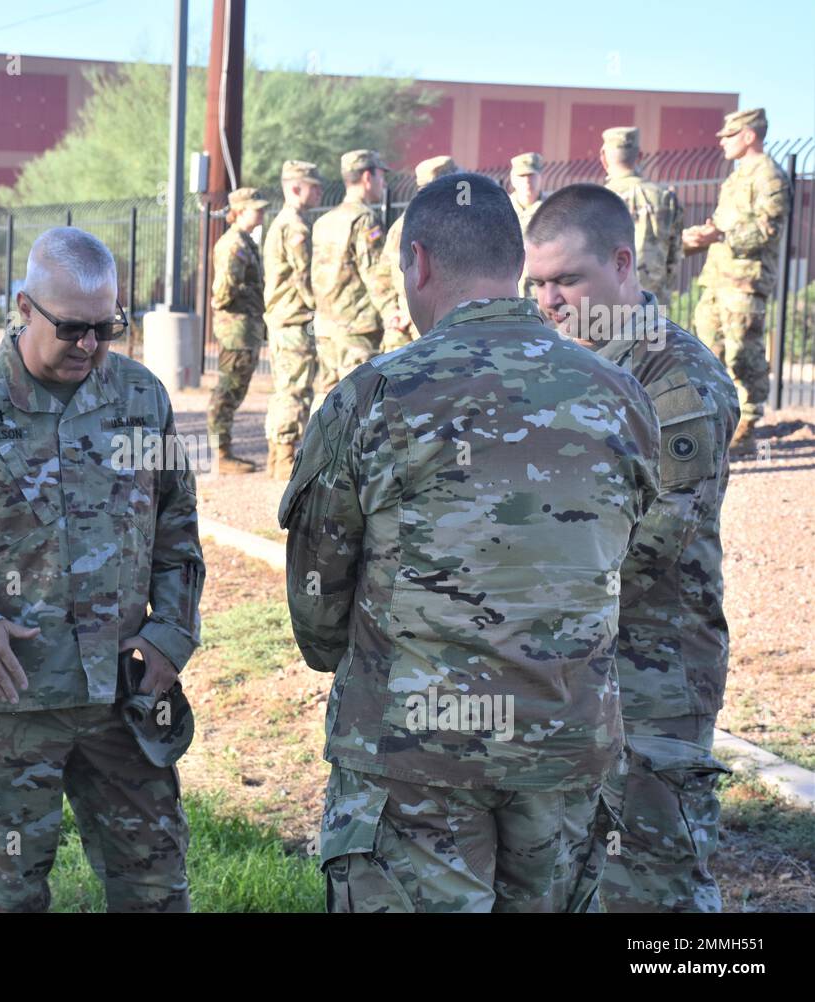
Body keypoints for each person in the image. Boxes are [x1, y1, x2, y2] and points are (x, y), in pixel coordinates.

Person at [279, 172, 661, 913]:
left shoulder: (371, 397)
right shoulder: (618, 396)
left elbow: (317, 603)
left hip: (414, 759)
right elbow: (627, 561)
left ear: (417, 263)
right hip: (565, 746)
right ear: (516, 263)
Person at [0, 227, 205, 912]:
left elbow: (176, 530)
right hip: (5, 708)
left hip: (122, 699)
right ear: (25, 308)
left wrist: (172, 633)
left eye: (105, 328)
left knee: (154, 886)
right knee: (2, 896)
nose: (89, 346)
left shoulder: (142, 401)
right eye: (72, 329)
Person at [526, 183, 739, 913]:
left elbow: (658, 537)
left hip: (651, 670)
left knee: (656, 881)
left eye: (567, 280)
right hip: (569, 665)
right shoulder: (564, 363)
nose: (550, 300)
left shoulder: (673, 377)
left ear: (622, 264)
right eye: (539, 284)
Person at [682, 108, 792, 454]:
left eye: (729, 135)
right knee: (708, 350)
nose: (723, 142)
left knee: (744, 351)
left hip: (745, 283)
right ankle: (717, 419)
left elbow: (767, 229)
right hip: (717, 279)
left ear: (749, 135)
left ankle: (748, 424)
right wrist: (705, 236)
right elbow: (722, 226)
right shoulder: (736, 178)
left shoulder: (769, 176)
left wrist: (721, 235)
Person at [310, 149, 392, 400]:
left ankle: (314, 441)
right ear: (367, 177)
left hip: (326, 327)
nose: (383, 183)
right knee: (359, 400)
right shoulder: (365, 219)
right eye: (380, 176)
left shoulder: (324, 221)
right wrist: (392, 313)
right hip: (357, 328)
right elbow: (376, 274)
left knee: (326, 397)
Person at [263, 160, 323, 481]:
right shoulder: (295, 226)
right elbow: (304, 277)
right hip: (294, 317)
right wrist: (320, 308)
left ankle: (278, 455)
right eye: (314, 186)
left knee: (285, 387)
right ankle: (284, 456)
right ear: (296, 187)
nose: (319, 192)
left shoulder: (282, 222)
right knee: (294, 389)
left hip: (282, 317)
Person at [209, 187, 269, 474]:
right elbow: (223, 290)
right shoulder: (233, 244)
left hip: (245, 325)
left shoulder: (245, 241)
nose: (261, 212)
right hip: (236, 326)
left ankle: (222, 448)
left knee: (236, 387)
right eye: (256, 207)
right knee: (228, 389)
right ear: (240, 210)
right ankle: (219, 452)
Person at [382, 154, 460, 347]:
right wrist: (395, 312)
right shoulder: (405, 227)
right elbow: (384, 274)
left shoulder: (456, 222)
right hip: (416, 329)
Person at [601, 126, 684, 305]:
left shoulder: (596, 199)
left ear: (603, 157)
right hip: (654, 299)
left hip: (608, 302)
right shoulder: (665, 197)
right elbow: (675, 255)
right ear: (639, 156)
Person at [509, 152, 545, 295]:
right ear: (512, 179)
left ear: (540, 177)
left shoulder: (554, 209)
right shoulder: (502, 208)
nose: (527, 181)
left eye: (531, 176)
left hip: (541, 291)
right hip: (510, 291)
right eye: (521, 176)